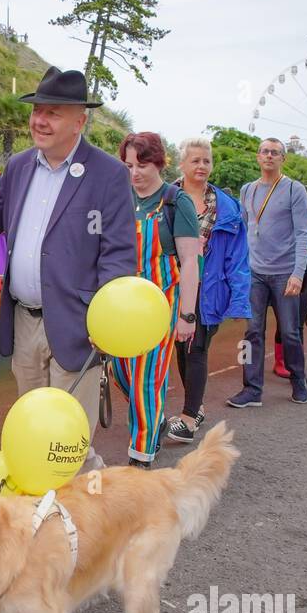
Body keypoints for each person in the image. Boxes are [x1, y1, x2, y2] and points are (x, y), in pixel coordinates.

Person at [0, 66, 136, 465]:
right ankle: (40, 518)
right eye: (37, 111)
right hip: (24, 322)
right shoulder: (18, 167)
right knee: (33, 437)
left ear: (79, 121)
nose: (39, 120)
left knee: (69, 444)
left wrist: (107, 322)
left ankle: (81, 521)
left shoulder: (109, 174)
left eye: (52, 112)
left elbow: (118, 255)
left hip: (79, 325)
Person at [111, 132, 200, 466]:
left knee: (147, 378)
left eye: (143, 164)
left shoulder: (177, 202)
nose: (135, 172)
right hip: (120, 308)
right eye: (129, 165)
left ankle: (141, 456)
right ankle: (157, 419)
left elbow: (191, 261)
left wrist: (186, 316)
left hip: (161, 305)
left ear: (158, 163)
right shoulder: (120, 199)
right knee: (122, 373)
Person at [163, 137, 251, 443]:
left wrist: (240, 301)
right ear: (182, 164)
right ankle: (195, 406)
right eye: (195, 160)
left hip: (209, 288)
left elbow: (238, 258)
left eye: (206, 161)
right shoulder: (166, 199)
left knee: (196, 347)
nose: (201, 166)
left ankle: (189, 418)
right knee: (180, 347)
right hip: (170, 284)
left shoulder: (227, 208)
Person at [227, 138, 307, 408]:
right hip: (254, 273)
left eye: (275, 153)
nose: (269, 156)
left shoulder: (294, 190)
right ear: (258, 156)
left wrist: (298, 273)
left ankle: (298, 379)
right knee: (252, 331)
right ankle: (251, 388)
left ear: (283, 159)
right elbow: (242, 230)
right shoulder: (247, 190)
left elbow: (303, 233)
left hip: (285, 272)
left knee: (289, 332)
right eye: (265, 151)